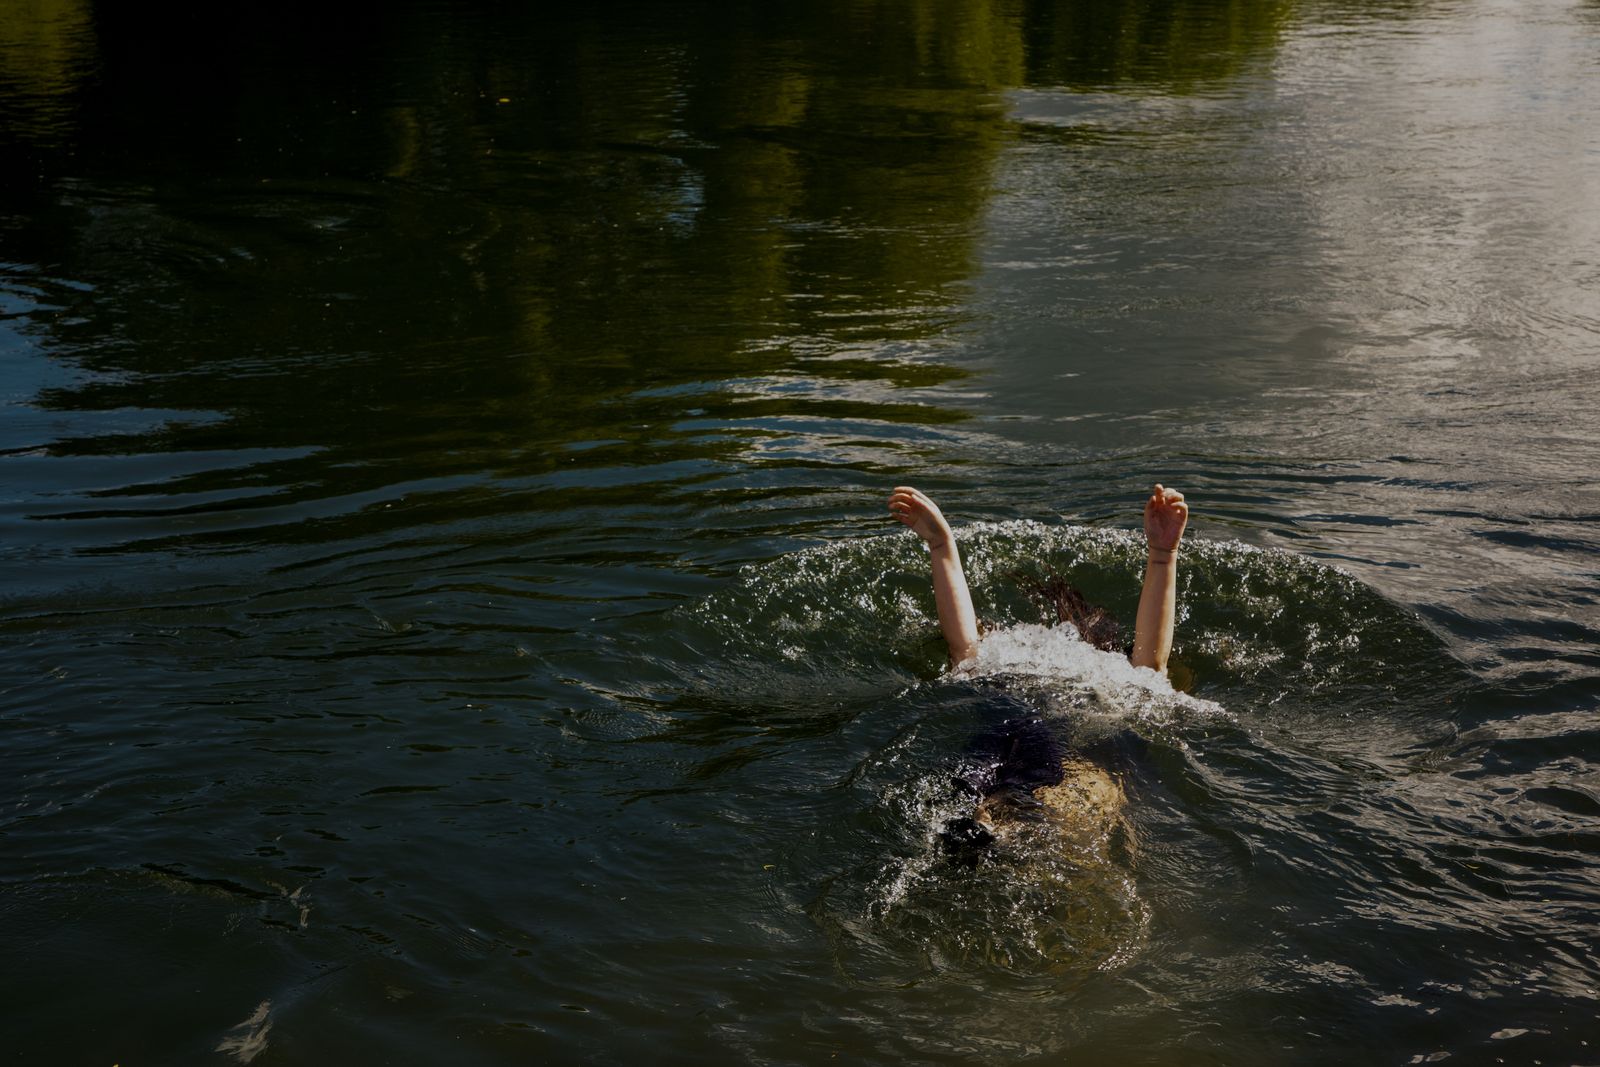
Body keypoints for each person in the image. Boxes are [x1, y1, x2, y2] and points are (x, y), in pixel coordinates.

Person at [886, 483, 1189, 856]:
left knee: (975, 798)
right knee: (1065, 805)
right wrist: (1162, 555)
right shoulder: (1113, 673)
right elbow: (1153, 663)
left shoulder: (1004, 657)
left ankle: (984, 829)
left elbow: (961, 645)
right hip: (1070, 755)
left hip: (996, 741)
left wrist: (941, 545)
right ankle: (999, 836)